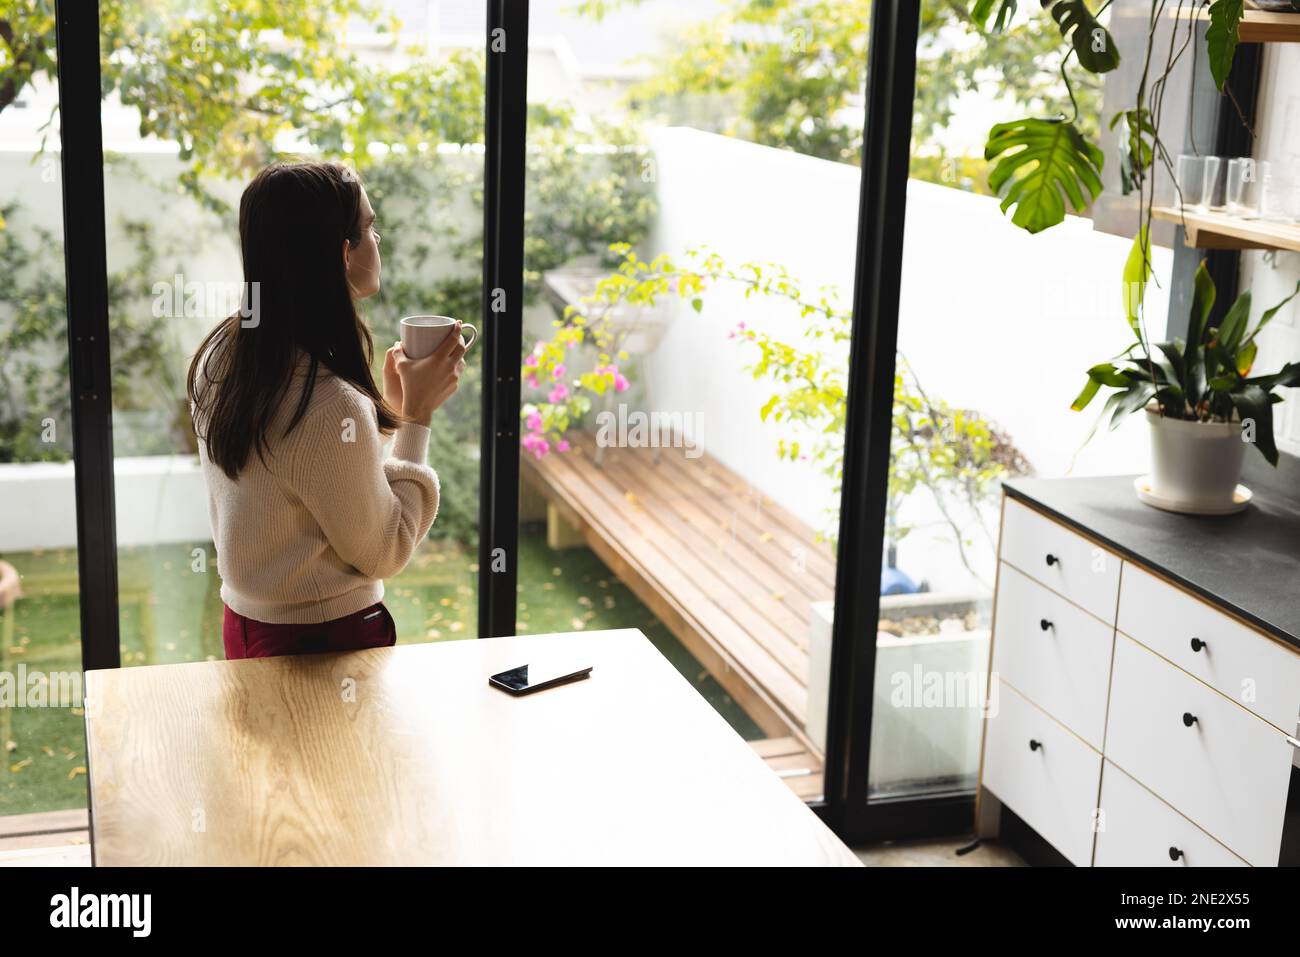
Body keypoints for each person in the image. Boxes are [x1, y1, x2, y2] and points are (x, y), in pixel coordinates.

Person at [187, 160, 466, 659]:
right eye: (370, 229)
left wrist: (391, 410)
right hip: (323, 643)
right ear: (343, 252)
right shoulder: (326, 401)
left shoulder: (221, 356)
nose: (377, 241)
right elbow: (385, 549)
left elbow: (309, 480)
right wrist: (418, 418)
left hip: (246, 628)